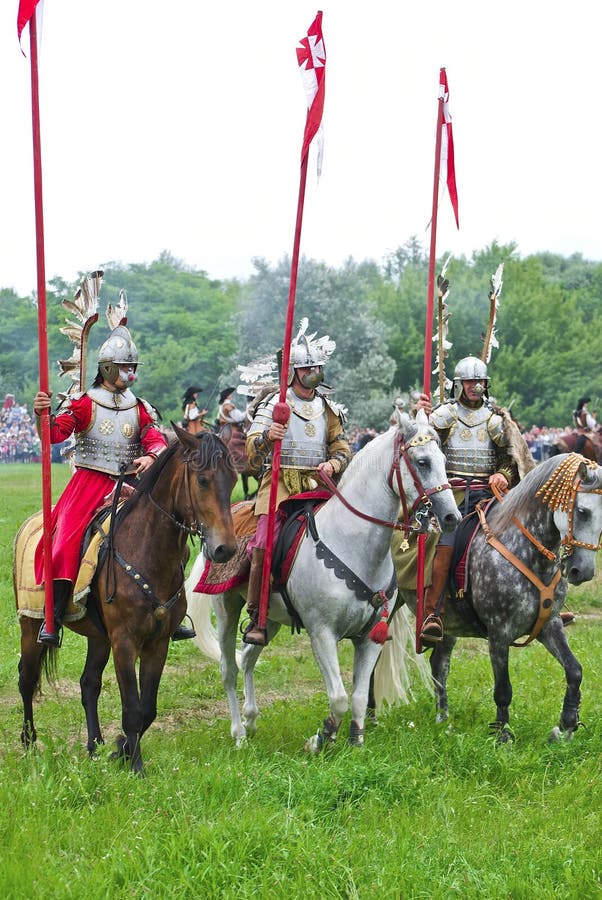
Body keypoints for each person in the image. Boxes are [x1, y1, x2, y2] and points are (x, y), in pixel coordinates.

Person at [34, 324, 196, 646]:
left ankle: (173, 608)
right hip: (89, 484)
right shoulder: (84, 403)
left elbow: (154, 440)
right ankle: (53, 616)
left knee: (169, 534)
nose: (129, 374)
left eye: (132, 368)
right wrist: (43, 415)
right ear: (107, 368)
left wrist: (151, 457)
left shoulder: (139, 407)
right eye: (124, 367)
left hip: (132, 485)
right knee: (65, 540)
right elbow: (55, 434)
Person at [241, 322, 351, 645]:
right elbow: (250, 452)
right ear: (293, 372)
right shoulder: (275, 404)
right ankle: (257, 615)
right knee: (264, 543)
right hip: (279, 484)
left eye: (317, 367)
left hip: (317, 487)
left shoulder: (327, 409)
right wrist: (267, 436)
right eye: (307, 367)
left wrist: (334, 462)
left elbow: (342, 446)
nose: (313, 372)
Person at [416, 356, 522, 644]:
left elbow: (510, 461)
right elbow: (423, 448)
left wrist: (502, 474)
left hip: (488, 495)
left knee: (525, 532)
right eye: (470, 382)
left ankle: (538, 602)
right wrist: (421, 418)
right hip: (451, 493)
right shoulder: (444, 416)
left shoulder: (496, 420)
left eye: (480, 382)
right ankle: (432, 613)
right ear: (458, 385)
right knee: (447, 545)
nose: (476, 386)